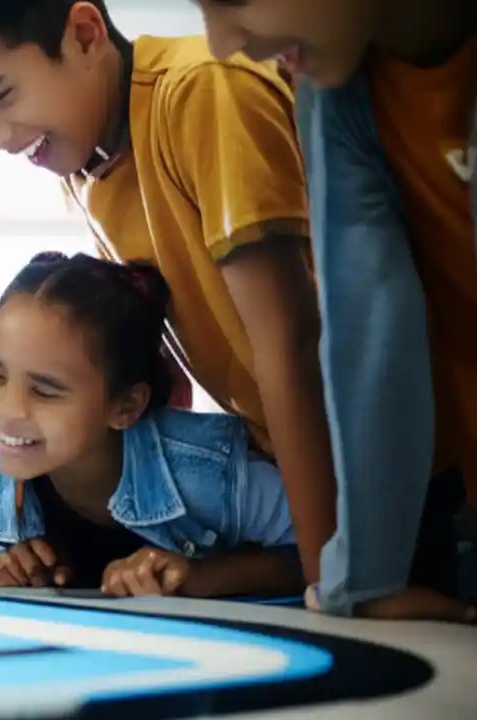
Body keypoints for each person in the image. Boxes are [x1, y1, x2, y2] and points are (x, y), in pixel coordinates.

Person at [0, 0, 336, 594]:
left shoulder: (202, 91)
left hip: (388, 479)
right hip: (307, 479)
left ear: (84, 33)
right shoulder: (86, 165)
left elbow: (293, 345)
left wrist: (334, 578)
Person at [194, 0, 477, 623]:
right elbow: (365, 316)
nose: (219, 43)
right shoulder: (336, 89)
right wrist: (364, 581)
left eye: (232, 1)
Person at [0, 252, 301, 598]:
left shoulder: (203, 471)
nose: (8, 412)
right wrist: (26, 567)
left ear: (126, 406)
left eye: (44, 391)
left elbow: (327, 549)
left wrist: (199, 576)